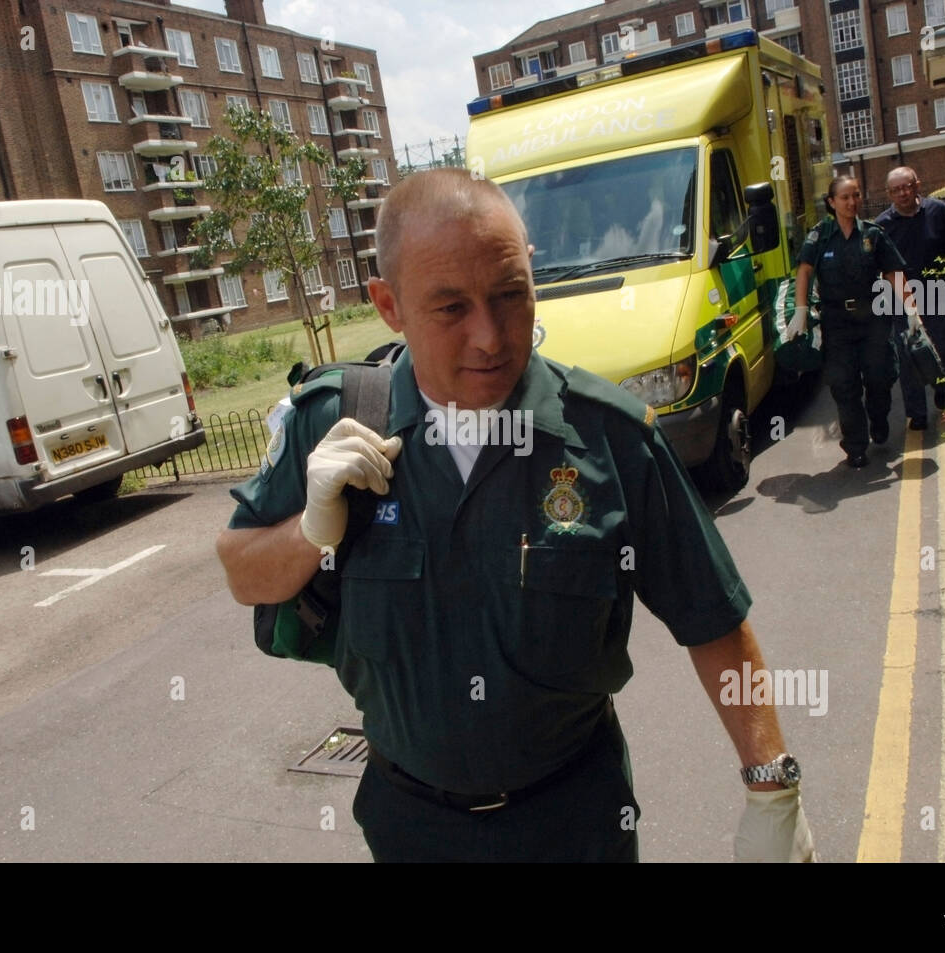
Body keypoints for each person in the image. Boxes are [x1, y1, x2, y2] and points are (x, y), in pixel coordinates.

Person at [217, 168, 816, 863]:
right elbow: (242, 572)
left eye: (510, 296)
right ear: (389, 305)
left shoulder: (609, 436)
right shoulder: (335, 423)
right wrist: (311, 530)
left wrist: (772, 787)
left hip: (574, 823)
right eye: (450, 308)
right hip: (413, 829)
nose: (491, 336)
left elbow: (711, 615)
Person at [788, 175, 910, 469]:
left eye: (855, 195)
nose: (852, 202)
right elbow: (804, 272)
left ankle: (878, 418)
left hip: (873, 319)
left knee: (880, 376)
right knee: (844, 385)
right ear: (831, 202)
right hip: (838, 322)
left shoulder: (873, 234)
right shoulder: (820, 236)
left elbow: (893, 272)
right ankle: (855, 446)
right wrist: (801, 310)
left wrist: (913, 309)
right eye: (844, 197)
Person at [874, 166, 945, 430]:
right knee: (908, 353)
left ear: (917, 185)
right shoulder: (882, 225)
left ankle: (941, 383)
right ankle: (917, 413)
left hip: (936, 290)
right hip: (900, 296)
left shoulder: (938, 211)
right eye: (896, 190)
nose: (903, 193)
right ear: (889, 194)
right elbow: (882, 268)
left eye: (907, 186)